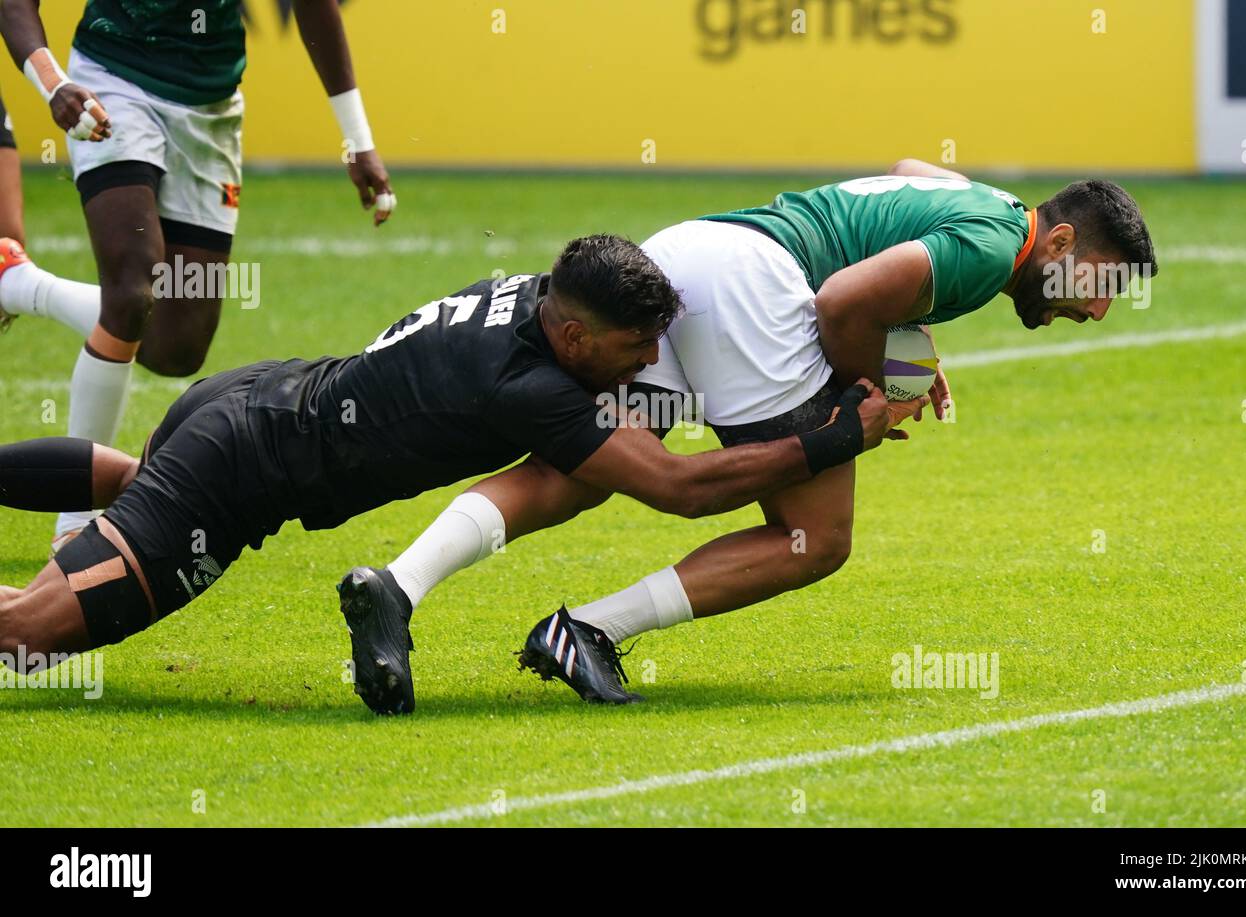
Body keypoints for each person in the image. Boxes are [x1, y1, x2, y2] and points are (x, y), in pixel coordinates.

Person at [0, 235, 921, 717]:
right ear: (573, 337)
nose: (647, 364)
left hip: (245, 403)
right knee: (30, 638)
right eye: (634, 347)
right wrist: (837, 435)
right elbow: (682, 489)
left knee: (130, 496)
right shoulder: (529, 386)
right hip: (238, 463)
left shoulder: (540, 293)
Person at [352, 159, 1158, 707]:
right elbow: (844, 301)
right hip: (753, 295)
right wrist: (863, 395)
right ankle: (592, 629)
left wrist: (908, 342)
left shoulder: (990, 205)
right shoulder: (990, 252)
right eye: (1099, 284)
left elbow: (913, 173)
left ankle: (399, 582)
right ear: (1060, 243)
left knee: (588, 465)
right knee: (817, 534)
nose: (1094, 310)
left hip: (692, 254)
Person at [0, 0, 395, 552]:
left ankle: (18, 284)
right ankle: (76, 524)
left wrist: (357, 138)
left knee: (175, 348)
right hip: (112, 80)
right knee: (133, 291)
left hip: (210, 107)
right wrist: (52, 82)